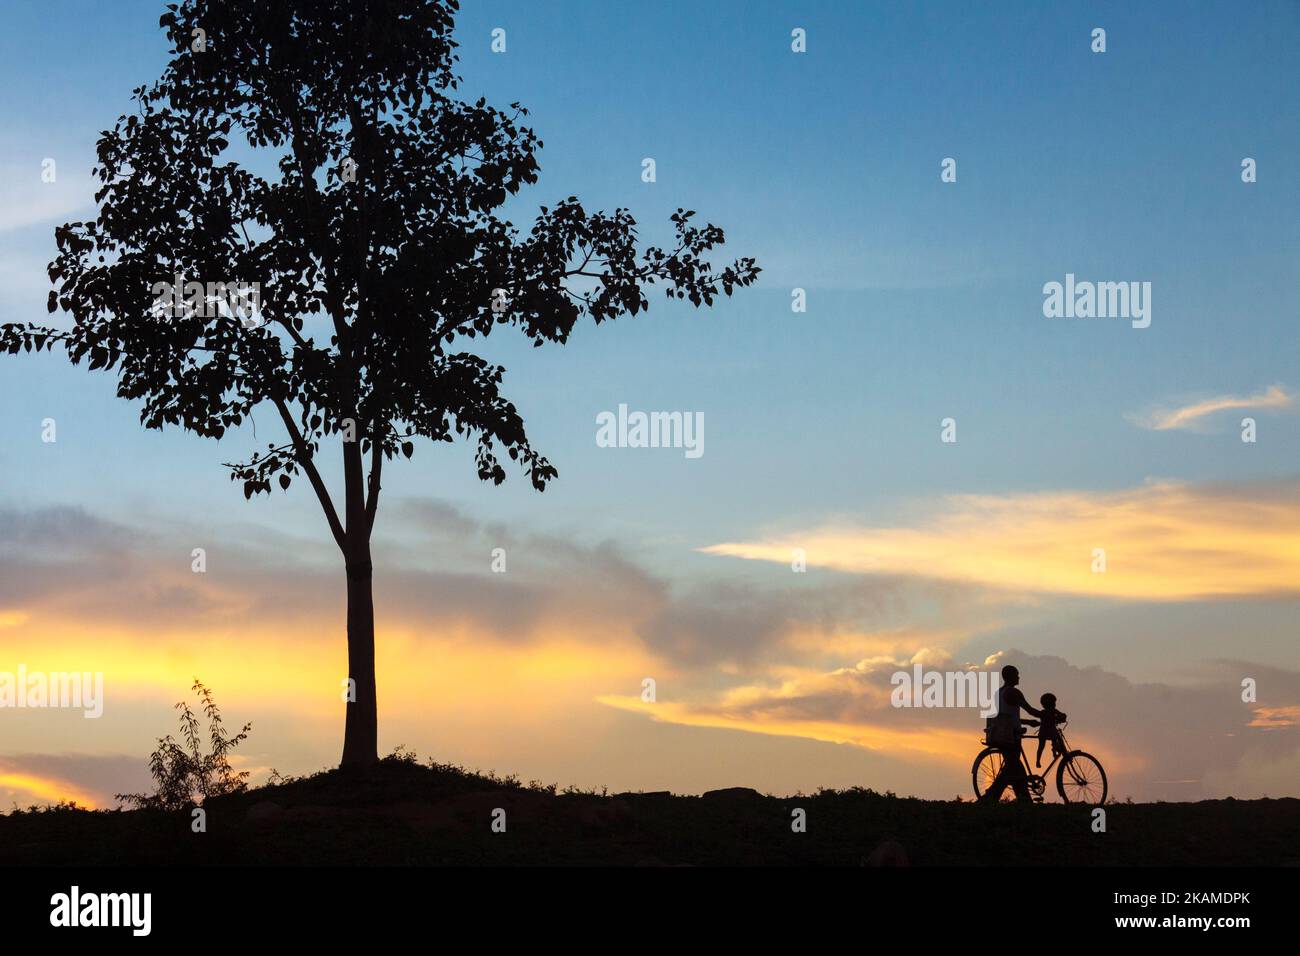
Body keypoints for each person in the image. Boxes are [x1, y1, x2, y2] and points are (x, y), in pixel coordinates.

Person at [981, 664, 1042, 803]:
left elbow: (1006, 716)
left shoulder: (999, 693)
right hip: (1012, 735)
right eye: (1016, 674)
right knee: (1013, 767)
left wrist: (1028, 722)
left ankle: (1024, 798)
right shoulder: (1014, 693)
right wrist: (1046, 716)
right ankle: (991, 796)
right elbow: (1030, 710)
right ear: (1010, 676)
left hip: (1001, 734)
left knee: (1013, 766)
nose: (1018, 677)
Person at [1035, 693, 1067, 767]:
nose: (1055, 704)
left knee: (1042, 746)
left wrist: (1062, 716)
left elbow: (1061, 714)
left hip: (1046, 731)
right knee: (1042, 745)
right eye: (1053, 702)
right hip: (1047, 731)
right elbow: (1060, 714)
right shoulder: (1050, 711)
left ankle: (1039, 760)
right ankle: (1038, 760)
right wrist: (1061, 717)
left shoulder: (1049, 711)